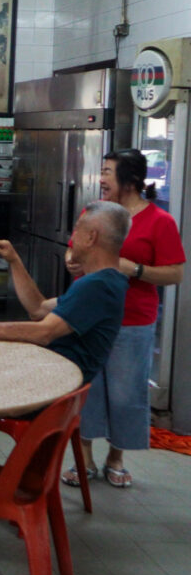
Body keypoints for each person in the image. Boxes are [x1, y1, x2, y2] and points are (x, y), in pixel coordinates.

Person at [73, 150, 185, 490]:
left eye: (107, 172)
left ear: (131, 180)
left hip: (133, 320)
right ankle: (84, 458)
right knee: (86, 389)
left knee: (125, 394)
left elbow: (175, 273)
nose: (101, 179)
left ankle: (116, 458)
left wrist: (132, 268)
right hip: (88, 316)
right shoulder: (94, 212)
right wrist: (72, 259)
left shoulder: (159, 221)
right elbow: (73, 248)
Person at [0, 201, 130, 387]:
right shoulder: (108, 282)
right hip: (51, 377)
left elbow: (44, 332)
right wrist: (14, 260)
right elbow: (38, 309)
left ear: (91, 237)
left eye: (77, 229)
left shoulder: (96, 286)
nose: (72, 237)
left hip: (51, 387)